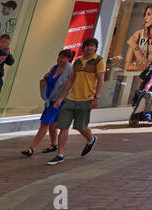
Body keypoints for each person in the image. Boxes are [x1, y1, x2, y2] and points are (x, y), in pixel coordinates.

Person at [48, 37, 104, 165]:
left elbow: (100, 80)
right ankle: (60, 154)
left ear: (95, 48)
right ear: (83, 47)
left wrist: (96, 97)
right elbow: (70, 81)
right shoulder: (77, 62)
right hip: (71, 98)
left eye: (92, 46)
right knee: (63, 126)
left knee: (80, 126)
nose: (90, 48)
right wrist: (61, 98)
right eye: (88, 46)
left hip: (87, 99)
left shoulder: (99, 61)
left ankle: (91, 139)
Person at [22, 49, 73, 156]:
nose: (60, 59)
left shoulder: (70, 70)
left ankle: (32, 148)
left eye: (63, 57)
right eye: (59, 56)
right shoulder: (54, 68)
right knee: (52, 123)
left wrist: (60, 99)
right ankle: (54, 144)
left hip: (59, 102)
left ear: (69, 59)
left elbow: (69, 87)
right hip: (50, 100)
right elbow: (47, 80)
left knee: (45, 123)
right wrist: (46, 77)